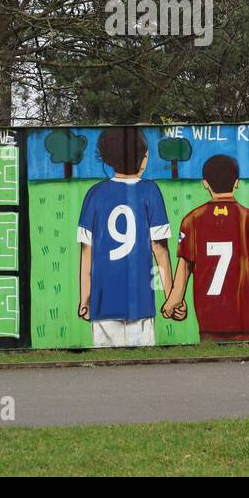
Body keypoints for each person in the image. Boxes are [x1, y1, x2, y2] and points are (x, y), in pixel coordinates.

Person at [77, 127, 174, 347]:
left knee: (105, 368)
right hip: (141, 302)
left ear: (107, 159)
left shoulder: (94, 194)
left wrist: (85, 298)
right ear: (143, 157)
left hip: (104, 303)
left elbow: (86, 255)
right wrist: (171, 296)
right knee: (143, 368)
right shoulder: (151, 191)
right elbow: (159, 249)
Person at [161, 154, 249, 340]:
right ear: (237, 183)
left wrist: (173, 302)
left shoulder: (192, 219)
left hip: (208, 317)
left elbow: (184, 267)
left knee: (208, 361)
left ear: (205, 183)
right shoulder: (248, 217)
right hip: (243, 316)